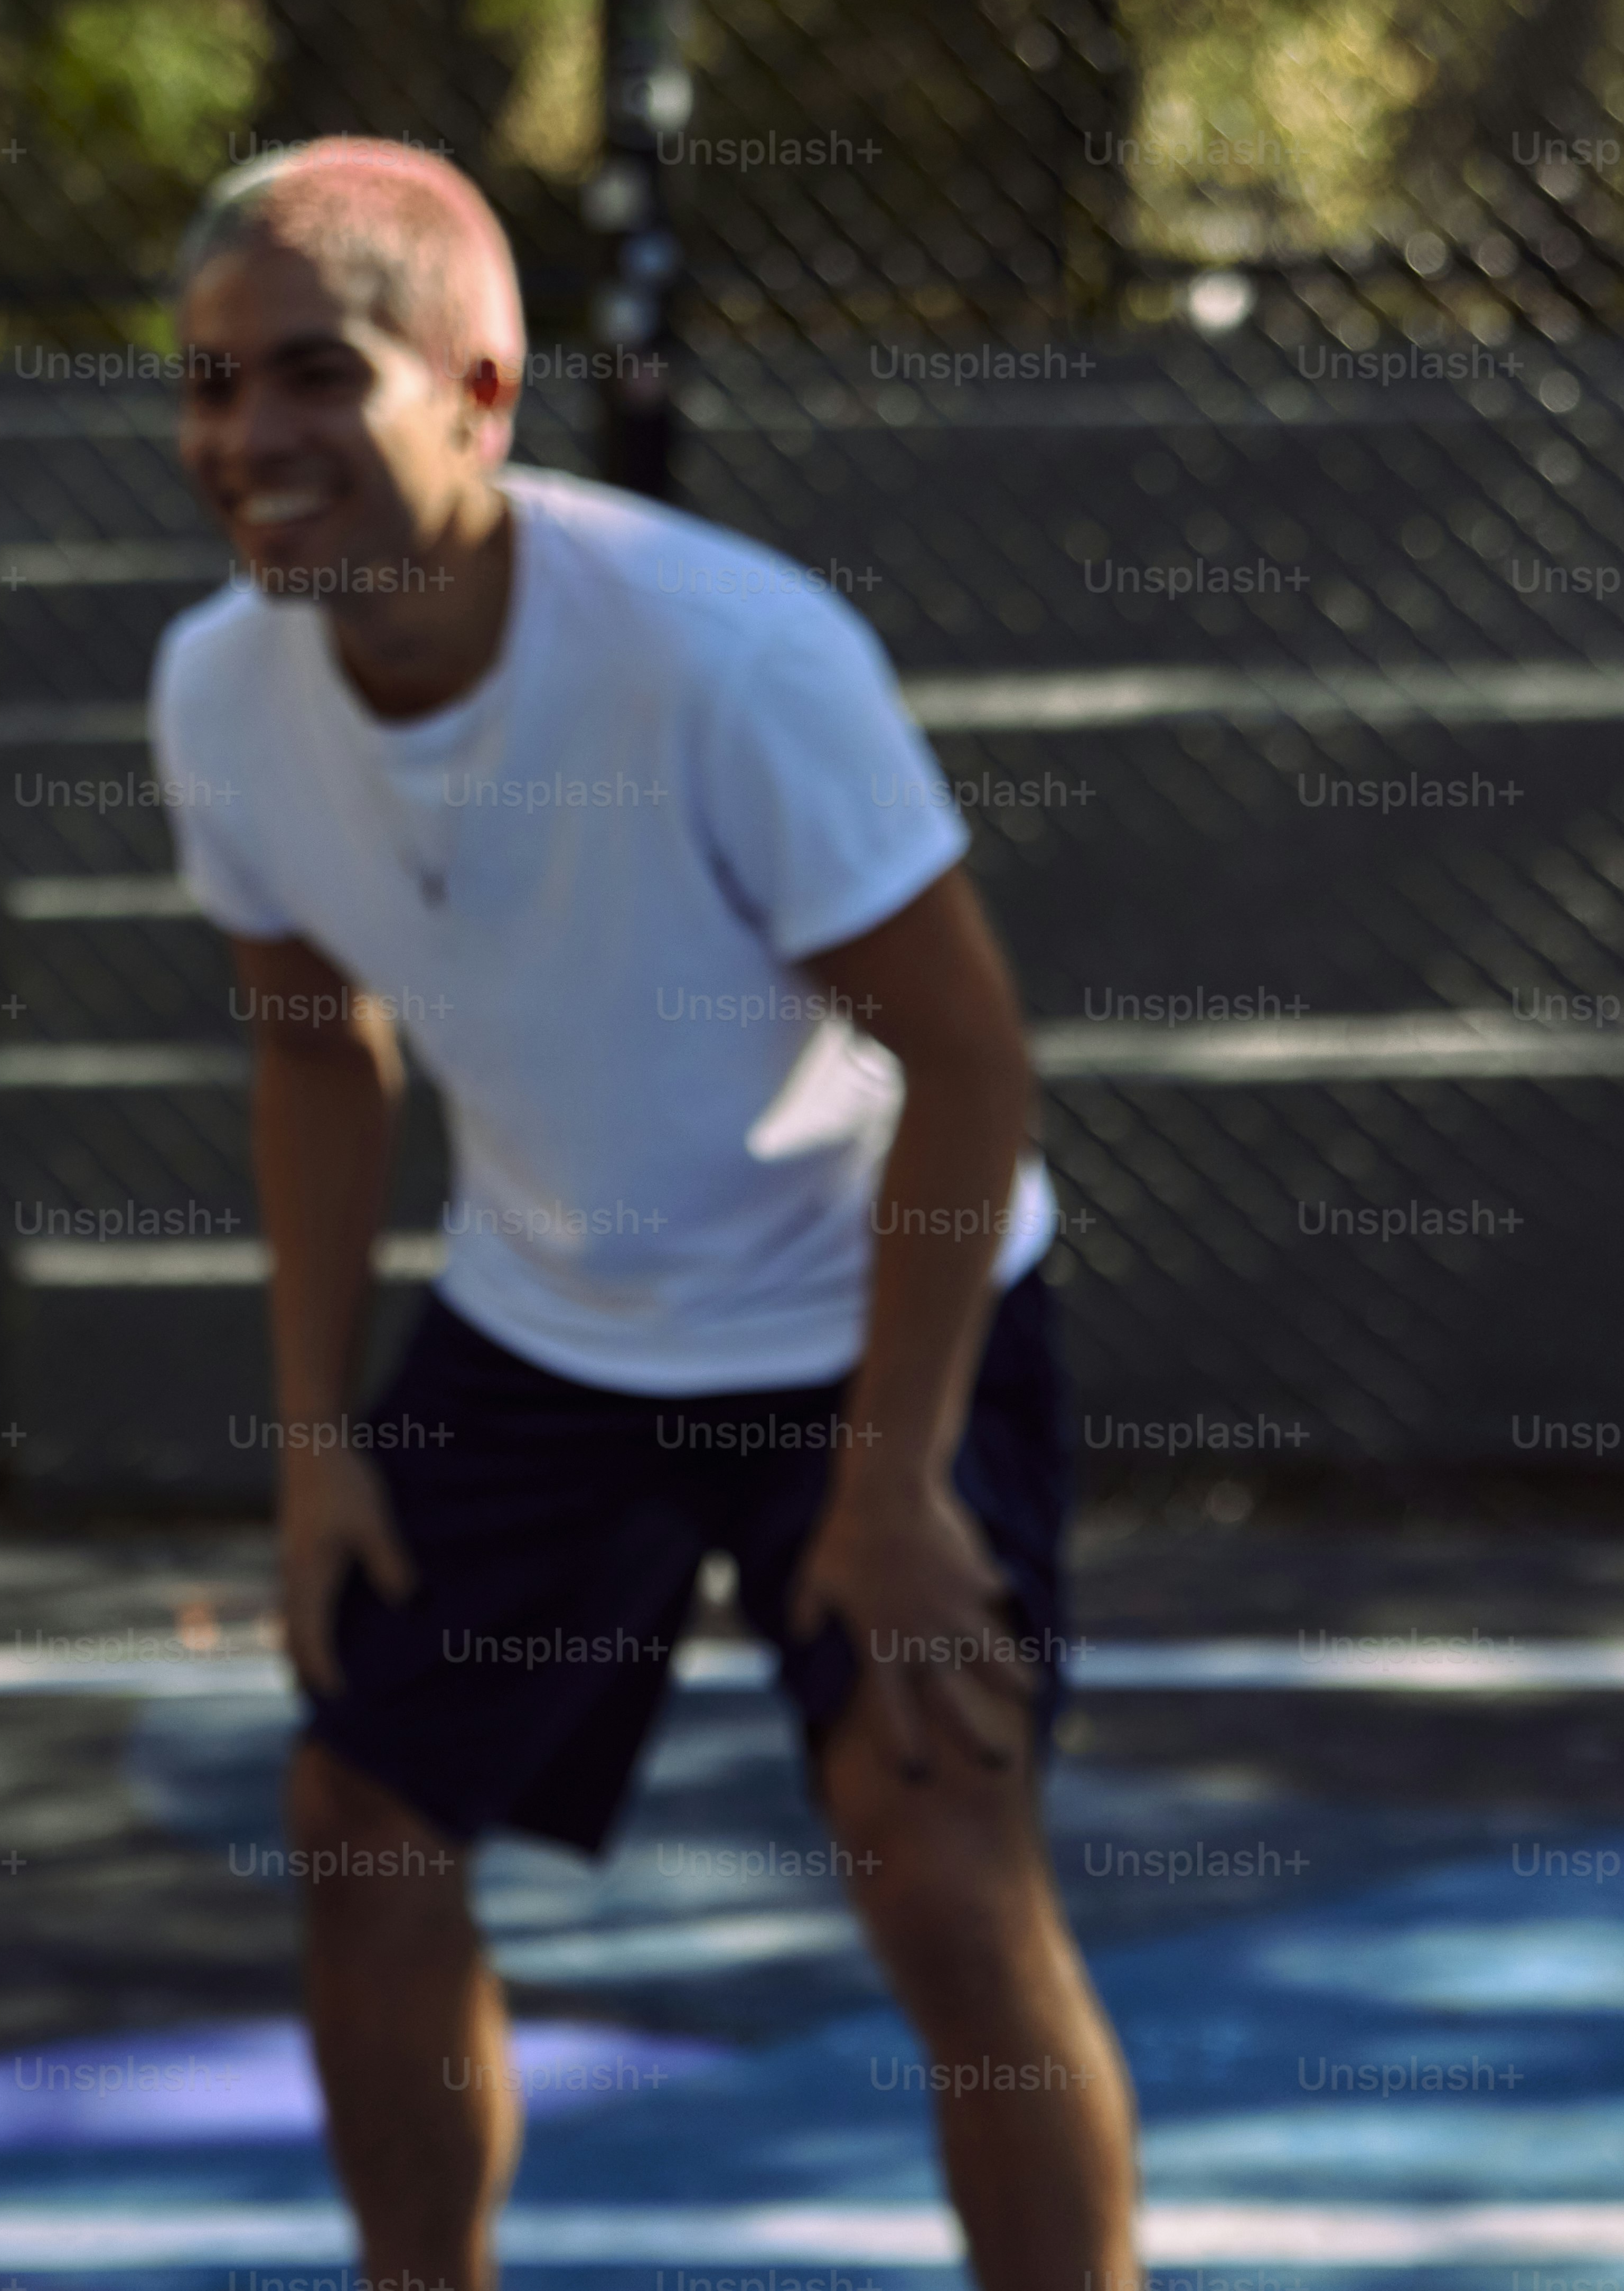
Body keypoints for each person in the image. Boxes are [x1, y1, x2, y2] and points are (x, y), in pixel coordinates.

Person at [144, 140, 1136, 2291]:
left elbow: (964, 1060)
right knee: (355, 1823)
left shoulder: (723, 657)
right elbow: (313, 1053)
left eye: (312, 373)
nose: (246, 437)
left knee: (934, 1861)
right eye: (210, 385)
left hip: (865, 1318)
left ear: (477, 393)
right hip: (552, 1325)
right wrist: (313, 1446)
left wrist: (887, 1487)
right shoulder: (215, 688)